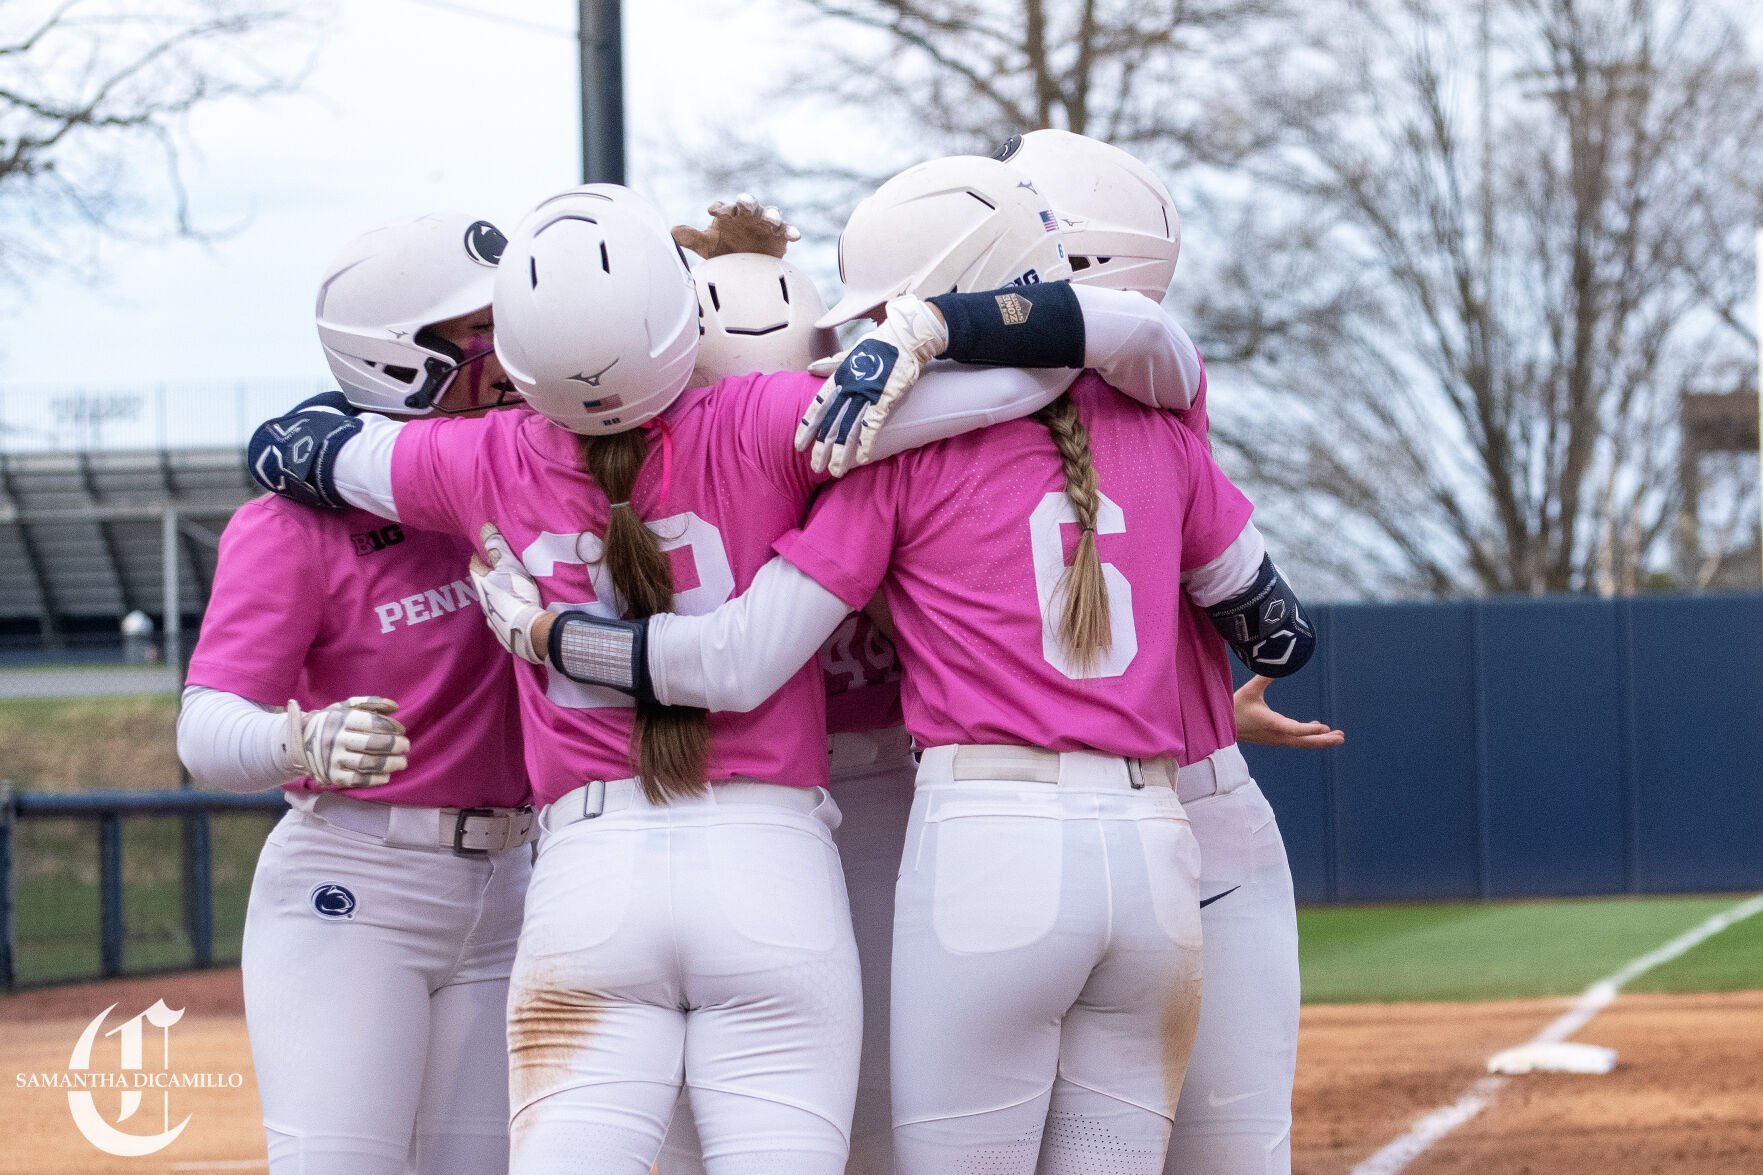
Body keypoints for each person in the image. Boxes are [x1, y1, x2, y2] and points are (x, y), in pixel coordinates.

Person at [243, 181, 1207, 1175]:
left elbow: (316, 451)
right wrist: (930, 330)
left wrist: (300, 439)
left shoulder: (468, 455)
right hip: (769, 862)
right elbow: (1037, 376)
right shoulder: (764, 418)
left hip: (587, 871)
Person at [472, 157, 1318, 1175]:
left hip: (979, 836)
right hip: (1155, 833)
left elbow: (737, 660)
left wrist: (551, 637)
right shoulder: (1160, 419)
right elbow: (1278, 630)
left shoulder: (898, 460)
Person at [1002, 127, 1343, 1175]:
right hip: (1186, 802)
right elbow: (1278, 627)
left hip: (1029, 826)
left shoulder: (937, 425)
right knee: (1231, 1153)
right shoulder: (1166, 402)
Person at [176, 210, 533, 1175]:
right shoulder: (291, 525)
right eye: (477, 333)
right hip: (359, 884)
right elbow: (204, 730)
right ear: (396, 355)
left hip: (521, 886)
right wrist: (304, 742)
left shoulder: (527, 468)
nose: (509, 354)